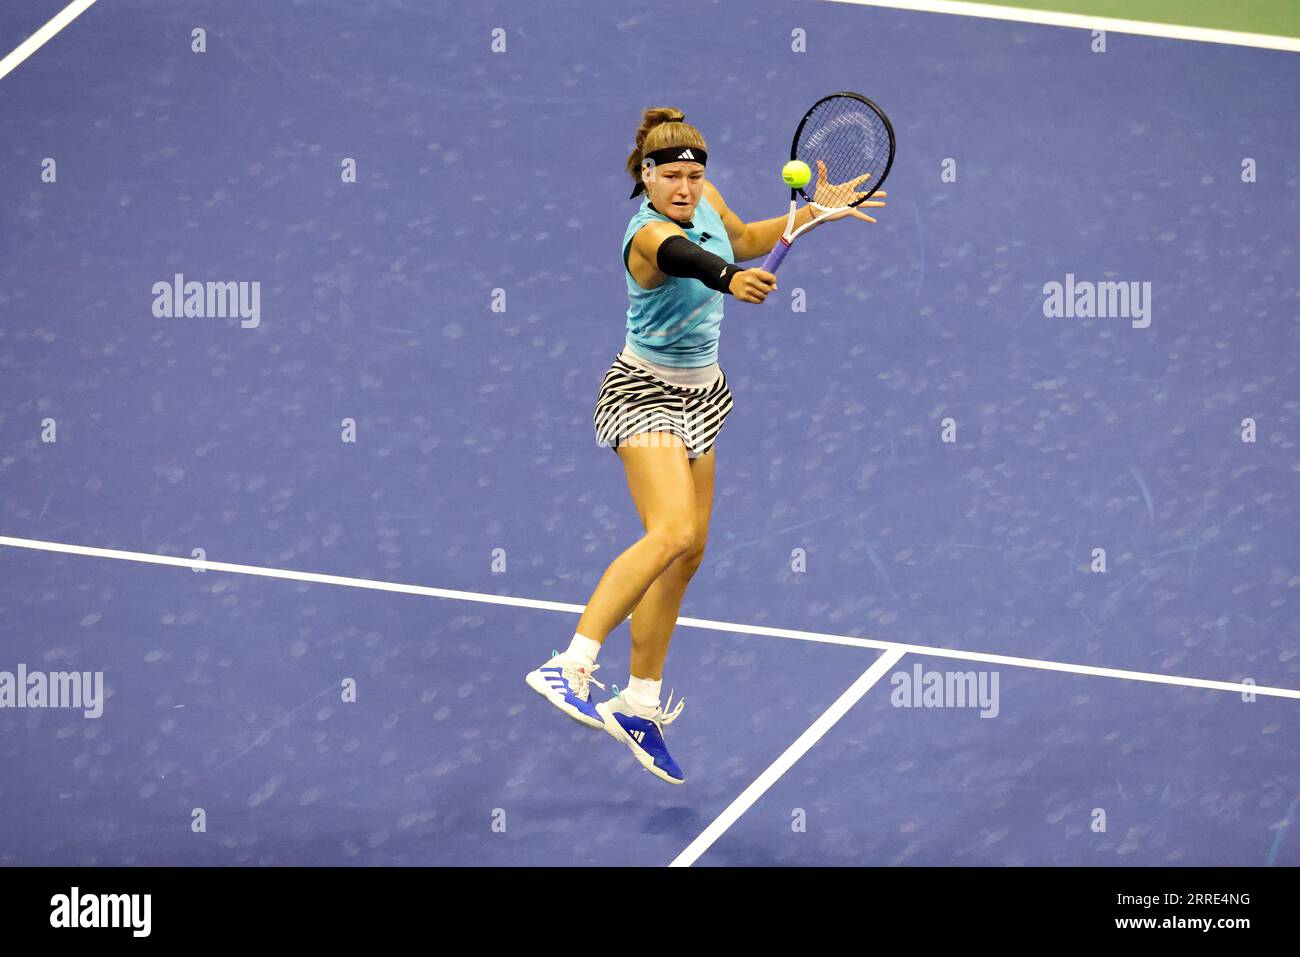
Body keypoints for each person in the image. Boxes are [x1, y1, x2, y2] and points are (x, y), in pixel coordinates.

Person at [526, 106, 886, 784]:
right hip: (645, 394)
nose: (686, 188)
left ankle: (639, 702)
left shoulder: (706, 200)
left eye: (696, 176)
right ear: (646, 176)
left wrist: (812, 214)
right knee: (668, 531)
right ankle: (569, 661)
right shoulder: (648, 234)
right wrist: (729, 280)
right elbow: (690, 257)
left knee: (689, 553)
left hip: (702, 395)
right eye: (672, 178)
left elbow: (745, 237)